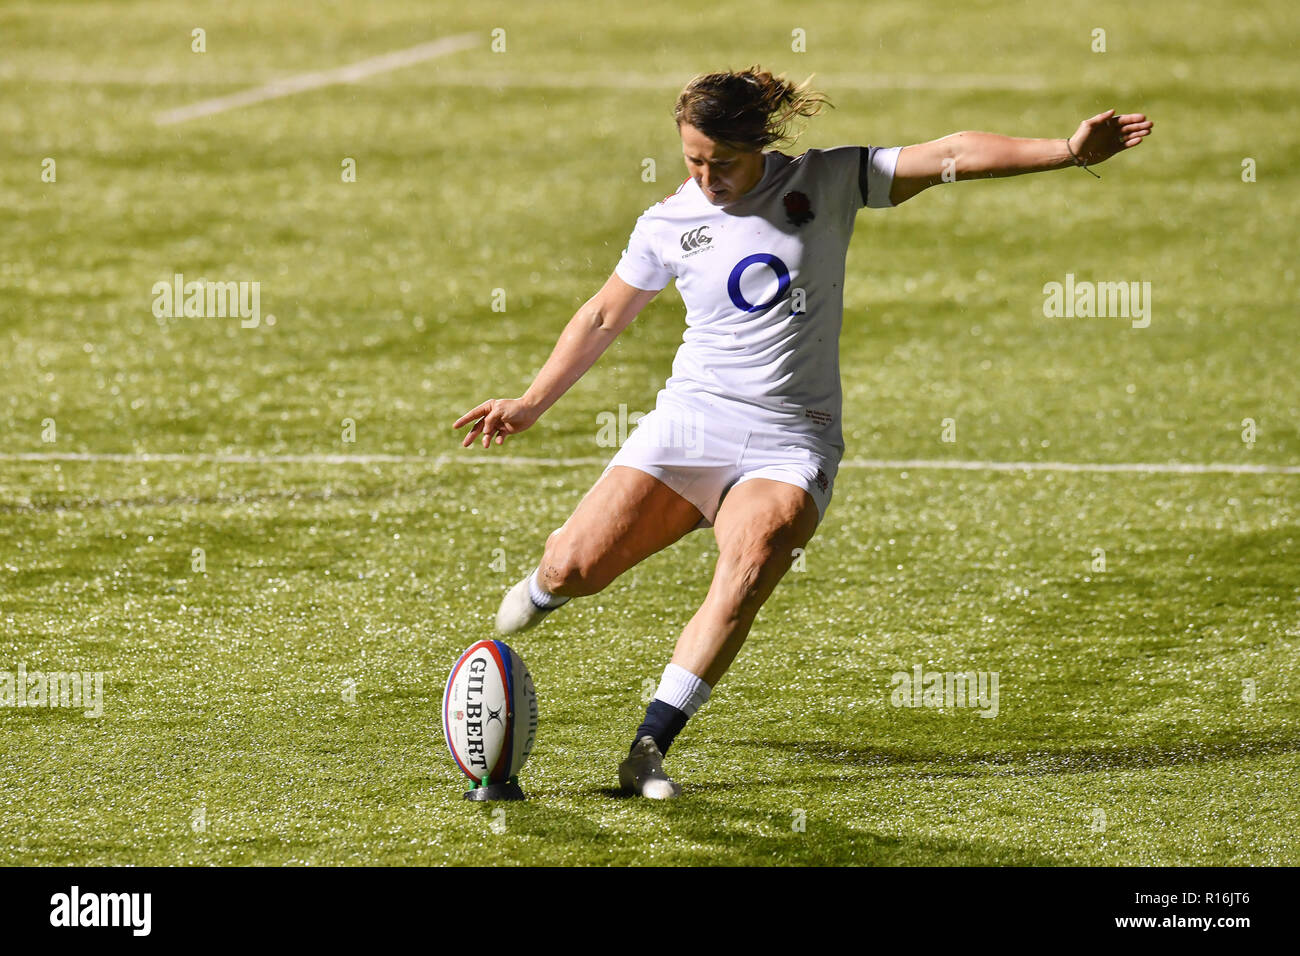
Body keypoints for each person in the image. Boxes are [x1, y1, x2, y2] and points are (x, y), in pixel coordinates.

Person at [453, 66, 1152, 798]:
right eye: (693, 159)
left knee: (753, 561)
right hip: (694, 424)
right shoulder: (667, 222)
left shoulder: (828, 181)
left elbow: (948, 154)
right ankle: (541, 592)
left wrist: (1065, 151)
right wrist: (532, 402)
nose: (707, 176)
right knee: (574, 568)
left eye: (722, 162)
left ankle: (648, 750)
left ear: (762, 145)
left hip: (792, 436)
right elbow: (603, 314)